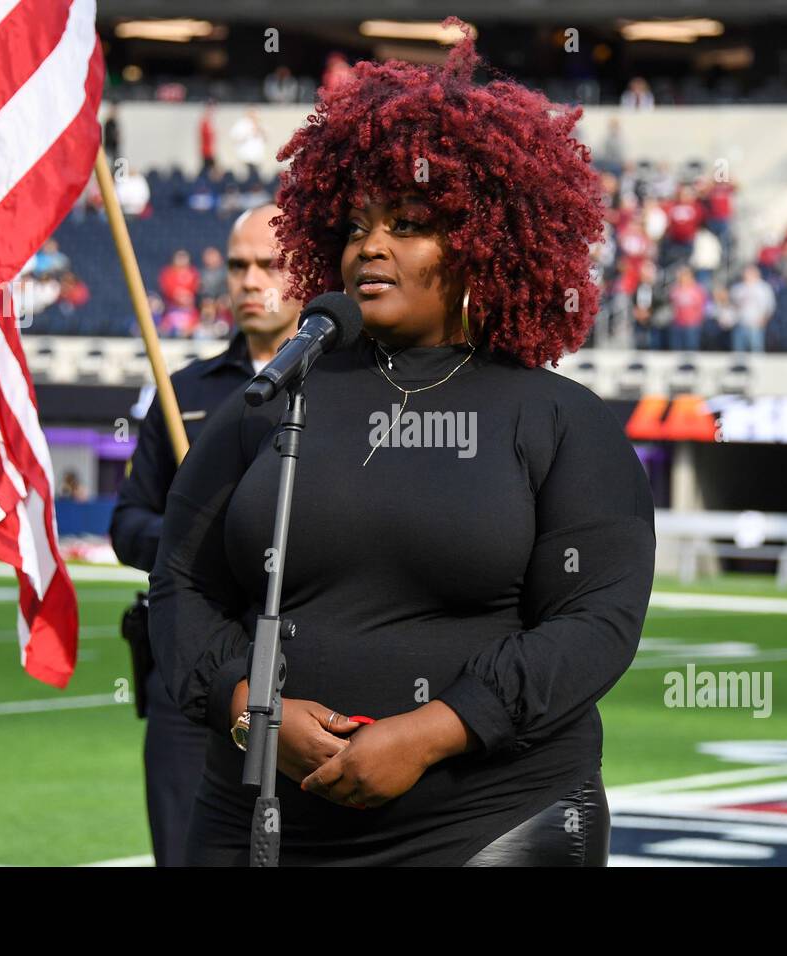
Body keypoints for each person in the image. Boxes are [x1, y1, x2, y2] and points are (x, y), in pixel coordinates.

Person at [147, 20, 655, 866]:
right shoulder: (272, 398)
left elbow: (595, 622)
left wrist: (432, 731)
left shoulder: (560, 419)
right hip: (258, 821)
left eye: (409, 224)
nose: (369, 247)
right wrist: (246, 707)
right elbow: (181, 584)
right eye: (354, 226)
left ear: (485, 242)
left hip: (490, 823)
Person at [110, 203, 303, 867]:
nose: (251, 280)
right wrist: (191, 537)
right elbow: (128, 522)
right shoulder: (180, 391)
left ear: (303, 271)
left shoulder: (345, 391)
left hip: (308, 671)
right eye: (239, 265)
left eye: (269, 265)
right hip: (189, 681)